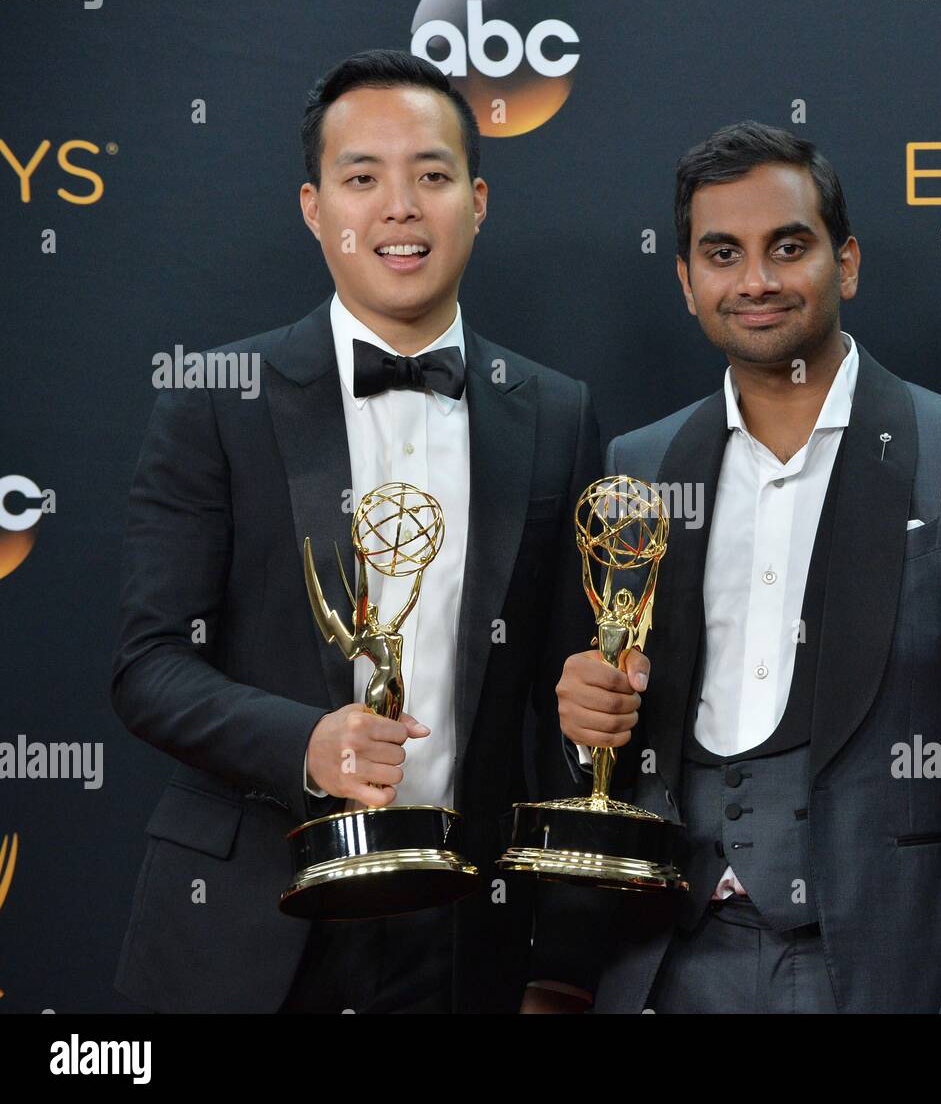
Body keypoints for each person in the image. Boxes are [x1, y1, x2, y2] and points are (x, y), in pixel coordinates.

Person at [544, 121, 941, 1013]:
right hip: (667, 963)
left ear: (847, 263)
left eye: (788, 247)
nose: (756, 280)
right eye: (723, 253)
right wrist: (584, 718)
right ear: (686, 283)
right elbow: (614, 732)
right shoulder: (639, 465)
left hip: (877, 970)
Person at [111, 49, 598, 1013]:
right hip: (250, 921)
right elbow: (149, 666)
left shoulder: (555, 411)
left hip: (466, 937)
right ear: (314, 206)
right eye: (362, 178)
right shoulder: (217, 401)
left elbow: (562, 703)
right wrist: (310, 743)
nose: (400, 207)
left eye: (431, 175)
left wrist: (562, 956)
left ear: (478, 198)